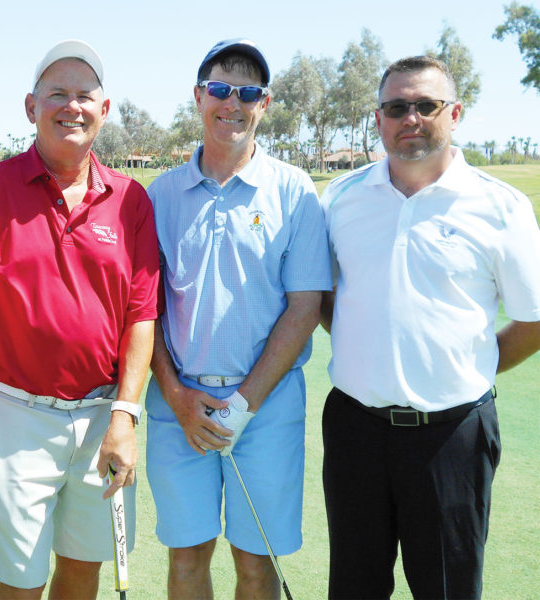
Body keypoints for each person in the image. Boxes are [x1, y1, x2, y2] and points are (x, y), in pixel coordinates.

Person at [0, 40, 159, 600]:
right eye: (57, 93)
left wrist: (125, 416)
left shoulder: (131, 199)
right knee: (22, 581)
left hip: (102, 413)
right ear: (31, 106)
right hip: (14, 414)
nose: (71, 106)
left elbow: (141, 315)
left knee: (83, 569)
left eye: (85, 95)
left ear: (104, 110)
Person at [320, 55, 540, 599]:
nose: (410, 118)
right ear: (378, 119)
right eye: (397, 107)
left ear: (455, 113)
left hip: (453, 436)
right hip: (355, 430)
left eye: (426, 105)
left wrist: (467, 365)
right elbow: (323, 299)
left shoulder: (501, 207)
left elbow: (533, 321)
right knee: (353, 586)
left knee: (448, 590)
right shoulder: (339, 199)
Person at [146, 39, 331, 600]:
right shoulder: (160, 195)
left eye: (248, 93)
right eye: (221, 89)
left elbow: (304, 307)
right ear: (199, 96)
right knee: (186, 558)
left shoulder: (294, 190)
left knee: (255, 563)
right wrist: (176, 395)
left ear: (264, 104)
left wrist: (244, 405)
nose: (233, 102)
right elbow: (144, 311)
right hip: (179, 407)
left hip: (268, 406)